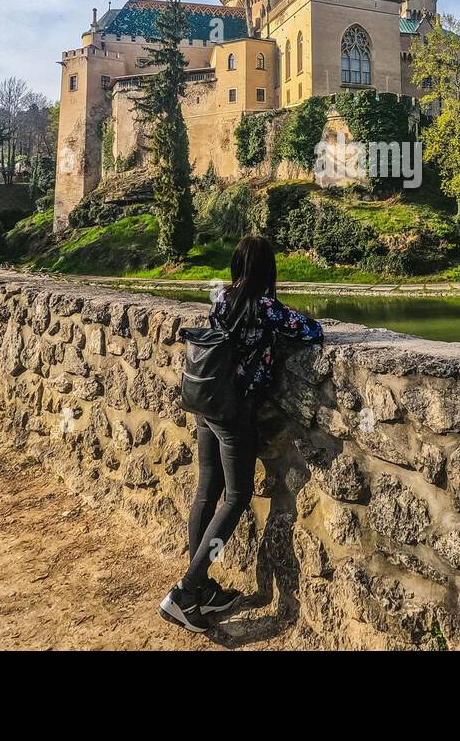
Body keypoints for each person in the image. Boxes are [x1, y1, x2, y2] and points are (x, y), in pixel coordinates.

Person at [159, 235, 324, 633]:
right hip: (234, 413)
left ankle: (201, 588)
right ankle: (186, 591)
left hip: (206, 401)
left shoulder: (221, 299)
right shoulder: (265, 307)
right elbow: (312, 331)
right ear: (268, 270)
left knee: (206, 492)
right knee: (236, 498)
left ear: (237, 265)